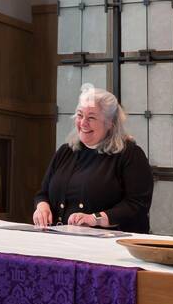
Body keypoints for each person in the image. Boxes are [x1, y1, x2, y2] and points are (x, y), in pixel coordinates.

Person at [33, 87, 152, 233]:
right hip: (59, 241)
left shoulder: (130, 154)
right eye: (80, 115)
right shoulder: (65, 151)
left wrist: (95, 218)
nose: (83, 123)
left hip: (109, 246)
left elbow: (137, 205)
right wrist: (42, 207)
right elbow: (43, 193)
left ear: (110, 123)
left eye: (91, 118)